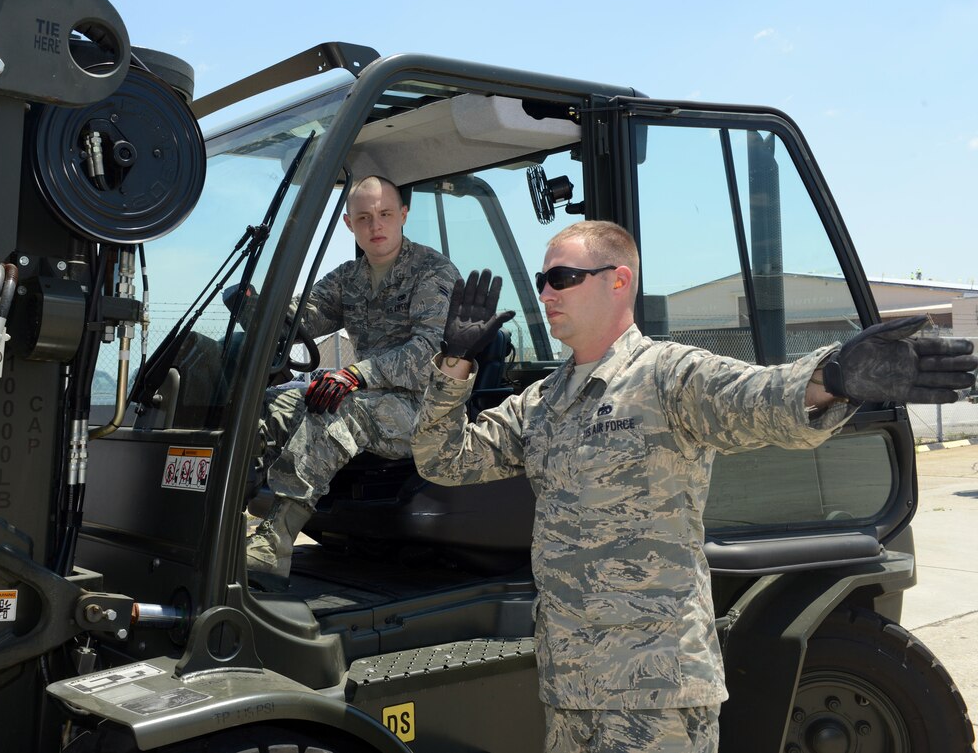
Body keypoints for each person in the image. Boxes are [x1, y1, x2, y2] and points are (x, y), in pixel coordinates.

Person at [410, 220, 976, 753]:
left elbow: (759, 396)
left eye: (562, 277)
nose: (547, 293)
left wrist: (833, 378)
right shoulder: (544, 401)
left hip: (656, 688)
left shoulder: (667, 376)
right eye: (542, 281)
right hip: (570, 688)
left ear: (618, 281)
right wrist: (455, 365)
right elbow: (446, 460)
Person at [246, 175, 460, 590]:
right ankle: (219, 517)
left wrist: (358, 374)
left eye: (384, 215)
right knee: (272, 405)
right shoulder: (349, 277)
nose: (375, 226)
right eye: (364, 218)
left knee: (339, 408)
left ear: (403, 216)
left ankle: (274, 544)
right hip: (368, 396)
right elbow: (306, 317)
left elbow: (429, 355)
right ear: (349, 224)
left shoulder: (433, 273)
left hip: (427, 410)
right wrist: (265, 311)